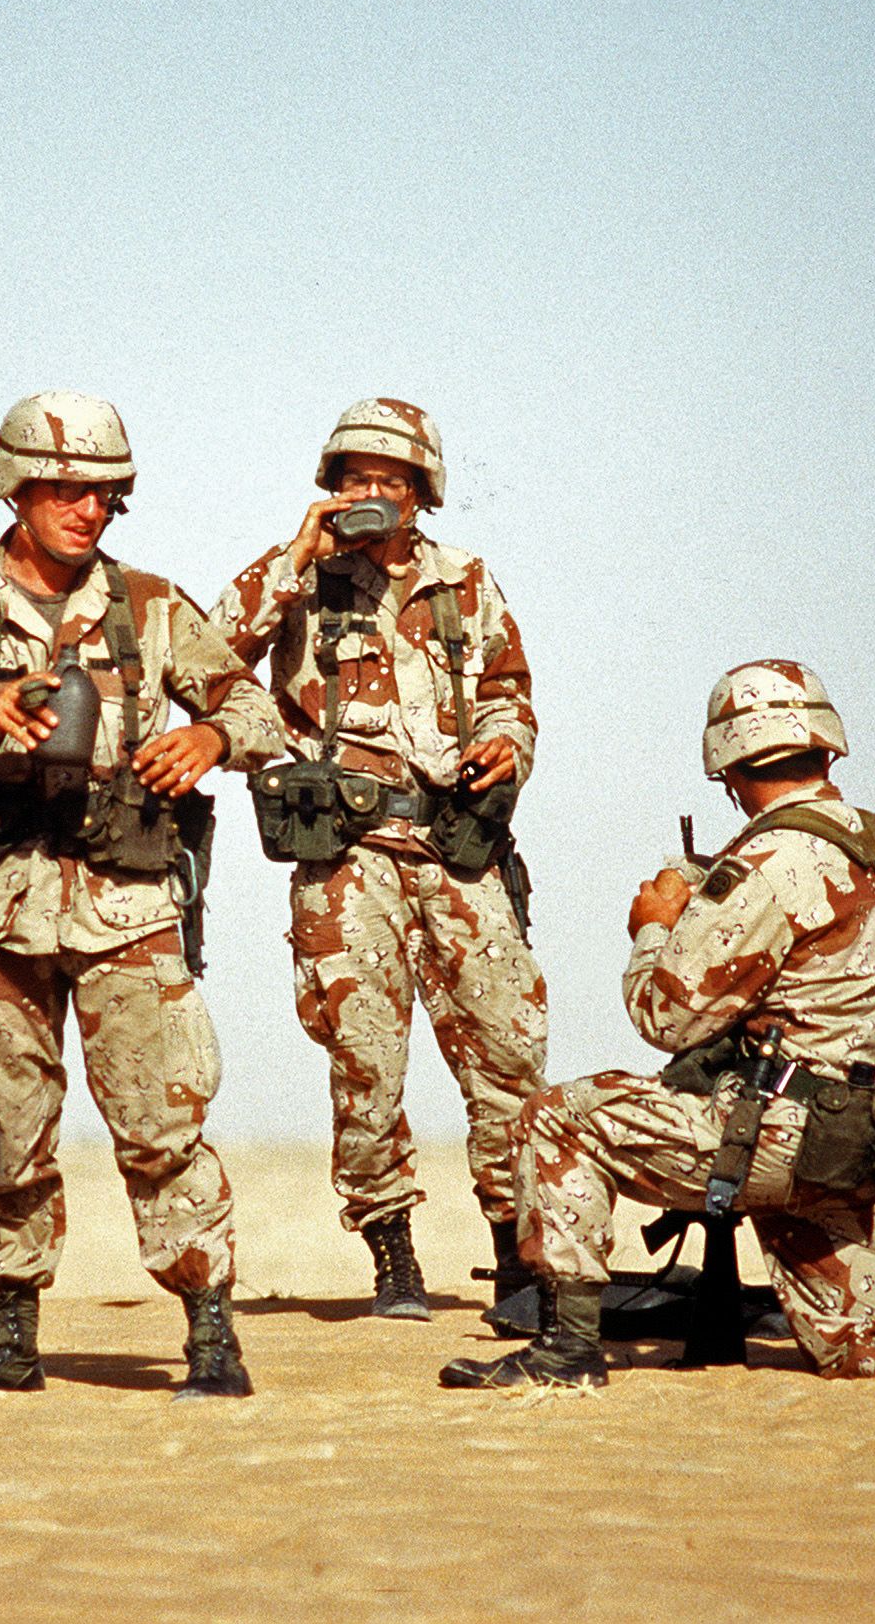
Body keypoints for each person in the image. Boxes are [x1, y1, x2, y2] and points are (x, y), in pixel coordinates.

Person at [442, 661, 875, 1389]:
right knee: (863, 1350)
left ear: (730, 765)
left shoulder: (765, 866)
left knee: (556, 1118)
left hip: (781, 1136)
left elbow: (666, 1016)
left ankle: (566, 1351)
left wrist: (656, 927)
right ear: (825, 747)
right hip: (868, 1139)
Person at [0, 392, 285, 1398]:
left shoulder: (151, 605)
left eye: (103, 494)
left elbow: (252, 702)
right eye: (64, 489)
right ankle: (10, 1338)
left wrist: (211, 738)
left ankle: (211, 1337)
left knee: (162, 1123)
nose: (86, 510)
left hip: (124, 905)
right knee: (3, 1127)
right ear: (16, 486)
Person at [214, 399, 547, 1319]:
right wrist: (293, 558)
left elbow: (513, 694)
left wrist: (506, 743)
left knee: (508, 1051)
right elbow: (206, 654)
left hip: (455, 843)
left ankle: (516, 1261)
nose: (371, 494)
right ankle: (391, 1252)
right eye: (355, 478)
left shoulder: (466, 583)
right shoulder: (303, 582)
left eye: (389, 481)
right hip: (349, 852)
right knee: (365, 1052)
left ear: (422, 493)